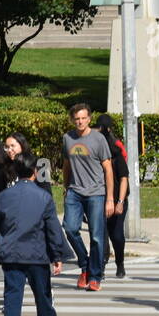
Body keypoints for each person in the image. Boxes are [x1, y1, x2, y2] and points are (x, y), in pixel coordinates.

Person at [0, 152, 69, 316]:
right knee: (43, 299)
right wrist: (57, 255)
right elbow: (53, 229)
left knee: (12, 301)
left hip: (11, 256)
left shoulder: (2, 197)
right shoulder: (43, 197)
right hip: (37, 255)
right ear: (35, 172)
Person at [61, 103, 115, 291]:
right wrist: (66, 187)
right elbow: (67, 165)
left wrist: (110, 198)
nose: (80, 122)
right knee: (69, 228)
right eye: (77, 119)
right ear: (72, 120)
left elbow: (108, 168)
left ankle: (95, 276)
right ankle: (84, 265)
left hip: (96, 193)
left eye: (83, 118)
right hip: (74, 191)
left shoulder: (98, 139)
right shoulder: (67, 138)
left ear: (89, 119)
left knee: (97, 237)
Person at [94, 114, 130, 279]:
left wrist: (120, 202)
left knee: (116, 235)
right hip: (98, 199)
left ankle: (120, 263)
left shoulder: (116, 153)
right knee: (100, 235)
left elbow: (124, 178)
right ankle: (100, 266)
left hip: (117, 199)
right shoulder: (93, 154)